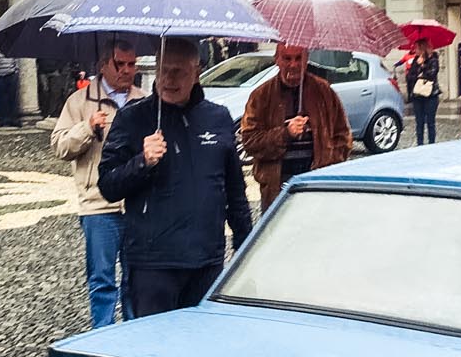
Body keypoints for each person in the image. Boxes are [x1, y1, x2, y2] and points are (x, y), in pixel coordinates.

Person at [98, 37, 252, 317]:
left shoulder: (217, 118)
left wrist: (245, 246)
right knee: (153, 351)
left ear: (196, 71)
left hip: (206, 260)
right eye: (163, 70)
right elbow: (107, 185)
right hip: (153, 263)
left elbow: (234, 191)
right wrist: (142, 163)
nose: (168, 79)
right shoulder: (133, 119)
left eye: (178, 71)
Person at [51, 39, 147, 327]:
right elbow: (60, 147)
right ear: (103, 64)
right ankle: (102, 335)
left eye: (132, 64)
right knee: (102, 278)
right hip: (97, 204)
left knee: (136, 276)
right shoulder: (79, 102)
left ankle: (133, 333)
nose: (127, 71)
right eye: (121, 64)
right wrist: (87, 128)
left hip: (136, 202)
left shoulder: (143, 100)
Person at [240, 44, 353, 212]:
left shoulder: (323, 91)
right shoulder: (261, 96)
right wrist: (285, 134)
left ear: (306, 60)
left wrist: (326, 164)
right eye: (287, 58)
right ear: (277, 60)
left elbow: (343, 136)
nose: (293, 65)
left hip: (316, 189)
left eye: (298, 58)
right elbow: (250, 141)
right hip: (277, 190)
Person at [406, 40, 442, 144]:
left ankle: (431, 144)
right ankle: (420, 143)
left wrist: (423, 66)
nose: (414, 50)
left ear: (423, 49)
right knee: (419, 122)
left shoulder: (433, 60)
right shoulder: (415, 60)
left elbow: (432, 74)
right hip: (417, 95)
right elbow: (409, 76)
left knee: (430, 122)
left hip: (431, 95)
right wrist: (417, 67)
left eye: (416, 48)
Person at [0, 40, 20, 126]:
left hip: (10, 74)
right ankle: (3, 119)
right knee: (1, 99)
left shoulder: (12, 49)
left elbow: (16, 61)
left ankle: (13, 119)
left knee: (12, 98)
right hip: (0, 76)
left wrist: (16, 71)